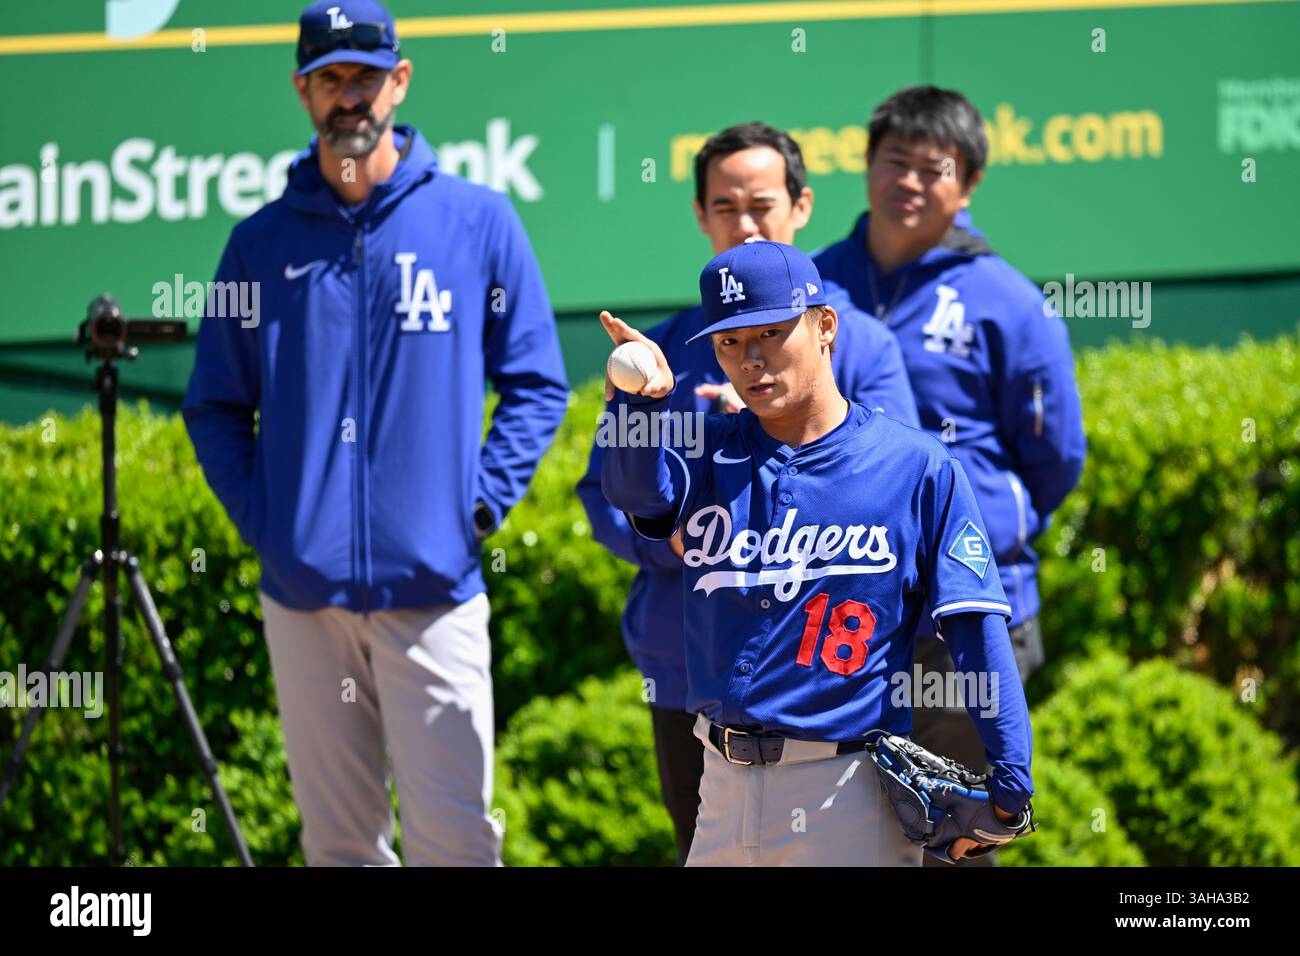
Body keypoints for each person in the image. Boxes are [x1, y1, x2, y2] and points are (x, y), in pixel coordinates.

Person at [181, 0, 568, 866]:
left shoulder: (477, 220)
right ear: (303, 92)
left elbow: (538, 385)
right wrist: (271, 525)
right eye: (329, 80)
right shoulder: (259, 244)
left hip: (433, 589)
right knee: (340, 848)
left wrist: (475, 507)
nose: (348, 96)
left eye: (364, 76)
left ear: (399, 80)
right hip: (304, 600)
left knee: (457, 841)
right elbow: (212, 406)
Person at [598, 239, 1032, 866]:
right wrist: (638, 405)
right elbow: (634, 492)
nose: (751, 359)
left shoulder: (915, 467)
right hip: (718, 785)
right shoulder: (708, 448)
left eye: (771, 333)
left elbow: (975, 628)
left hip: (847, 792)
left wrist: (1011, 780)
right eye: (729, 343)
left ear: (825, 325)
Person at [575, 123, 917, 864]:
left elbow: (898, 485)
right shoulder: (662, 350)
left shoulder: (858, 341)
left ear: (801, 206)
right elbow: (605, 495)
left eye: (762, 203)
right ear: (700, 216)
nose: (745, 222)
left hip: (831, 694)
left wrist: (778, 465)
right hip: (684, 669)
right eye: (724, 207)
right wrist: (665, 531)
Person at [812, 86, 1085, 865]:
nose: (908, 181)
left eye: (933, 169)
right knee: (844, 833)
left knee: (955, 840)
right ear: (865, 167)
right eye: (894, 160)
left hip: (965, 615)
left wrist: (978, 531)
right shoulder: (816, 286)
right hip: (847, 613)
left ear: (966, 187)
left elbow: (1055, 456)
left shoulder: (1007, 301)